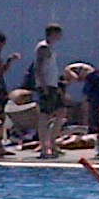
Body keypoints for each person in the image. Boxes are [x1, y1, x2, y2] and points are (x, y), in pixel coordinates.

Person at [29, 23, 66, 158]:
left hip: (53, 85)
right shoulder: (43, 47)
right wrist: (43, 86)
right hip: (46, 86)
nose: (60, 36)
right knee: (45, 116)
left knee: (61, 112)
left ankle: (52, 143)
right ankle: (44, 147)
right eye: (58, 33)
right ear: (52, 33)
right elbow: (38, 68)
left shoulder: (50, 47)